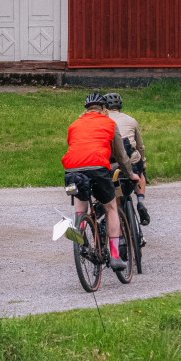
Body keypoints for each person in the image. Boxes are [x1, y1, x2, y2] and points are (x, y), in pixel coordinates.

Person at [63, 92, 138, 270]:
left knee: (80, 208)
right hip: (98, 168)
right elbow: (121, 156)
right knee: (111, 208)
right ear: (104, 109)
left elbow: (75, 147)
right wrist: (130, 174)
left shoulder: (74, 125)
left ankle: (80, 235)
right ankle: (115, 256)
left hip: (72, 171)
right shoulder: (110, 123)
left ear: (86, 110)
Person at [103, 92, 150, 225]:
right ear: (120, 106)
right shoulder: (131, 120)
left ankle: (117, 213)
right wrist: (143, 161)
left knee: (113, 183)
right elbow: (140, 146)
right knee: (140, 172)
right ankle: (140, 201)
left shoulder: (102, 120)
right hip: (131, 159)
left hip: (110, 161)